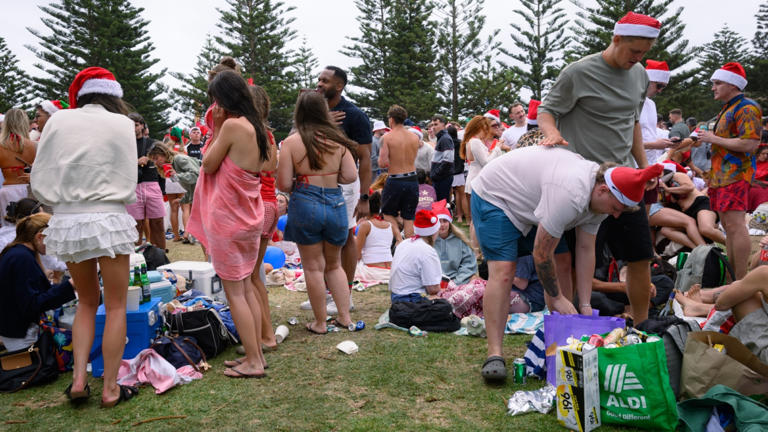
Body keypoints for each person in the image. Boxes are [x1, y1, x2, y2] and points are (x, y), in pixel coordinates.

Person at [470, 145, 662, 381]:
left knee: (563, 259)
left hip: (532, 202)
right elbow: (541, 254)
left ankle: (560, 340)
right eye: (615, 209)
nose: (615, 216)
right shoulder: (570, 194)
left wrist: (585, 304)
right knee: (504, 270)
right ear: (603, 190)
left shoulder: (601, 199)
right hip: (496, 196)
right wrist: (558, 297)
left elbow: (586, 249)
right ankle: (495, 354)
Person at [538, 11, 661, 325]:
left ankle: (642, 325)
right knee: (569, 260)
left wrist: (643, 167)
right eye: (634, 50)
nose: (638, 58)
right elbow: (547, 111)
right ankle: (568, 326)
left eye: (644, 53)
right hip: (586, 184)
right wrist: (552, 133)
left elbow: (633, 123)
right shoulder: (578, 72)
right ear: (616, 39)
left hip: (625, 181)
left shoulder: (640, 75)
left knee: (640, 256)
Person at [30, 66, 139, 407]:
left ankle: (78, 381)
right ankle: (110, 388)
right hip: (109, 216)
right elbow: (128, 173)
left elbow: (42, 168)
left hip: (69, 217)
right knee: (116, 304)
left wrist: (58, 201)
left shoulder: (60, 120)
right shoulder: (122, 123)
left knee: (86, 302)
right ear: (113, 95)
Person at [186, 70, 270, 379]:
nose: (214, 107)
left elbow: (208, 164)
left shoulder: (232, 126)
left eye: (216, 100)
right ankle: (255, 352)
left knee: (235, 293)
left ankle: (254, 361)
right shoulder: (257, 127)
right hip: (248, 217)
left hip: (229, 218)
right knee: (245, 288)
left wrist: (219, 127)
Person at [277, 90, 358, 334]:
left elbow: (283, 184)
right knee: (334, 265)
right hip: (335, 202)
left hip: (305, 201)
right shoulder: (338, 140)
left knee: (313, 267)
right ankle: (344, 317)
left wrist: (303, 180)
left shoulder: (291, 143)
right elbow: (351, 176)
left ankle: (320, 323)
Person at [698, 62, 763, 280]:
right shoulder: (729, 107)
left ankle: (740, 280)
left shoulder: (747, 108)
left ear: (733, 85)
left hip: (736, 175)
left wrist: (713, 138)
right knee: (728, 226)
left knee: (735, 226)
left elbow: (750, 144)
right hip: (721, 177)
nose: (713, 88)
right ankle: (734, 277)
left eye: (717, 83)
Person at [317, 65, 372, 310]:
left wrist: (364, 196)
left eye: (325, 80)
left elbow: (366, 159)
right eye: (319, 79)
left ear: (339, 86)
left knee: (346, 236)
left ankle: (345, 295)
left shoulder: (354, 115)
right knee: (320, 239)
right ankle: (324, 292)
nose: (319, 84)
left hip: (345, 186)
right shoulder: (316, 112)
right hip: (316, 184)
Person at [0, 213, 76, 352]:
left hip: (16, 329)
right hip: (21, 333)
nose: (54, 247)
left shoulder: (17, 253)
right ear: (40, 237)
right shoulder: (22, 258)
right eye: (54, 241)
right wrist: (70, 286)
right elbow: (32, 304)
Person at [248, 83, 279, 350]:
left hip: (260, 204)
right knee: (254, 275)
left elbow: (267, 166)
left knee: (251, 277)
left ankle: (265, 336)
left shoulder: (256, 134)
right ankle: (263, 334)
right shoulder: (267, 134)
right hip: (269, 204)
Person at [378, 104, 419, 241]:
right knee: (409, 216)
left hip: (395, 179)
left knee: (387, 212)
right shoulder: (414, 137)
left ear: (391, 119)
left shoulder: (387, 138)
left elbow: (382, 163)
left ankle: (399, 240)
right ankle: (409, 244)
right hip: (412, 179)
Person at [126, 112, 166, 250]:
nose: (133, 128)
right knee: (135, 225)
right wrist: (135, 162)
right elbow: (117, 164)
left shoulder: (152, 143)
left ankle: (160, 256)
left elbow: (164, 162)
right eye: (130, 125)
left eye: (136, 125)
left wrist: (150, 158)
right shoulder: (124, 144)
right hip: (133, 186)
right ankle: (134, 258)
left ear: (142, 126)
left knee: (158, 223)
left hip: (152, 184)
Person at [659, 161, 726, 244]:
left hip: (699, 204)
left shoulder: (677, 175)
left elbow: (689, 187)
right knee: (665, 230)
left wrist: (668, 189)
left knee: (706, 229)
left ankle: (731, 245)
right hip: (686, 213)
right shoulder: (661, 186)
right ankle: (702, 248)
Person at [147, 142, 200, 244]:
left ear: (163, 153)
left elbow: (197, 175)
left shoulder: (179, 159)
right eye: (153, 160)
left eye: (156, 158)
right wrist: (183, 200)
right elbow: (191, 188)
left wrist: (177, 176)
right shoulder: (173, 165)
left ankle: (187, 234)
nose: (156, 162)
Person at [389, 209, 442, 303]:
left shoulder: (404, 243)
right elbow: (433, 289)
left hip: (395, 296)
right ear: (434, 232)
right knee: (446, 302)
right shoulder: (427, 251)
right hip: (411, 298)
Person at [0, 108, 36, 226]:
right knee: (30, 226)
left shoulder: (1, 145)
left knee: (9, 227)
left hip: (7, 191)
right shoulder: (33, 145)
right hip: (29, 190)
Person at [433, 200, 477, 285]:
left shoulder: (459, 240)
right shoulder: (429, 242)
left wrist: (456, 282)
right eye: (438, 221)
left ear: (450, 222)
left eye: (445, 221)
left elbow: (468, 263)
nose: (442, 224)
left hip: (458, 280)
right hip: (434, 283)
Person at [429, 114, 454, 202]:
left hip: (442, 178)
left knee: (441, 204)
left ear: (443, 125)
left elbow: (448, 160)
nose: (433, 127)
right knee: (440, 204)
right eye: (432, 125)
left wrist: (436, 174)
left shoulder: (445, 138)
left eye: (436, 124)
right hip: (441, 178)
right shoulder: (441, 138)